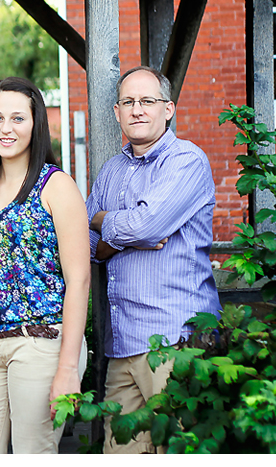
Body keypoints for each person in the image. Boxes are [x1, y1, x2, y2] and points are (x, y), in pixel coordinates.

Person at [85, 65, 222, 454]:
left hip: (173, 341)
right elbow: (89, 244)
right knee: (120, 453)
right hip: (121, 344)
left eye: (148, 101)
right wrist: (128, 233)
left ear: (169, 108)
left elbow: (145, 226)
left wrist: (105, 221)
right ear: (116, 112)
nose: (137, 109)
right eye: (128, 102)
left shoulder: (186, 162)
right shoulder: (110, 171)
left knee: (179, 451)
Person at [0, 77, 90, 454]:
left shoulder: (56, 186)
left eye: (17, 118)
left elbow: (78, 280)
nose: (5, 128)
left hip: (42, 344)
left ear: (36, 123)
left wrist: (67, 367)